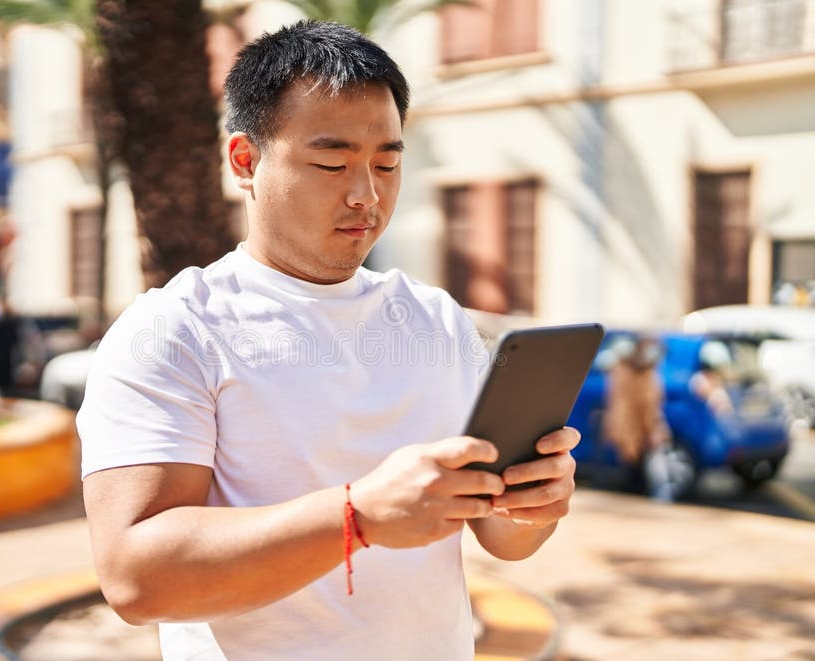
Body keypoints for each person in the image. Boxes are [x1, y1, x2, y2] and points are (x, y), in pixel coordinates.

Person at [77, 21, 580, 659]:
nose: (366, 194)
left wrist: (533, 501)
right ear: (245, 161)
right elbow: (136, 579)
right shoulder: (174, 329)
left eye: (387, 164)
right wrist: (357, 517)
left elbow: (504, 539)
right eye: (332, 163)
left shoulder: (439, 321)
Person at [602, 335, 674, 500]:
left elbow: (651, 405)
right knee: (633, 475)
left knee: (640, 475)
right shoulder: (629, 372)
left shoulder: (645, 373)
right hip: (631, 430)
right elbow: (634, 406)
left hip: (639, 431)